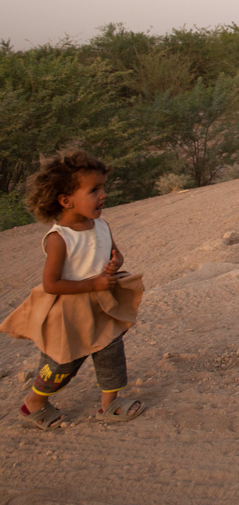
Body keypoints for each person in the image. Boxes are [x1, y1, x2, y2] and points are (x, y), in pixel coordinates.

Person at [1, 149, 145, 428]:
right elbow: (51, 284)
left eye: (103, 188)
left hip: (102, 303)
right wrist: (93, 283)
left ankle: (111, 403)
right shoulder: (59, 239)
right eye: (94, 190)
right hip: (68, 310)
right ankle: (34, 404)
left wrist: (116, 262)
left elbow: (113, 252)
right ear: (66, 200)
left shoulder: (101, 224)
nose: (103, 195)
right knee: (61, 364)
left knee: (110, 352)